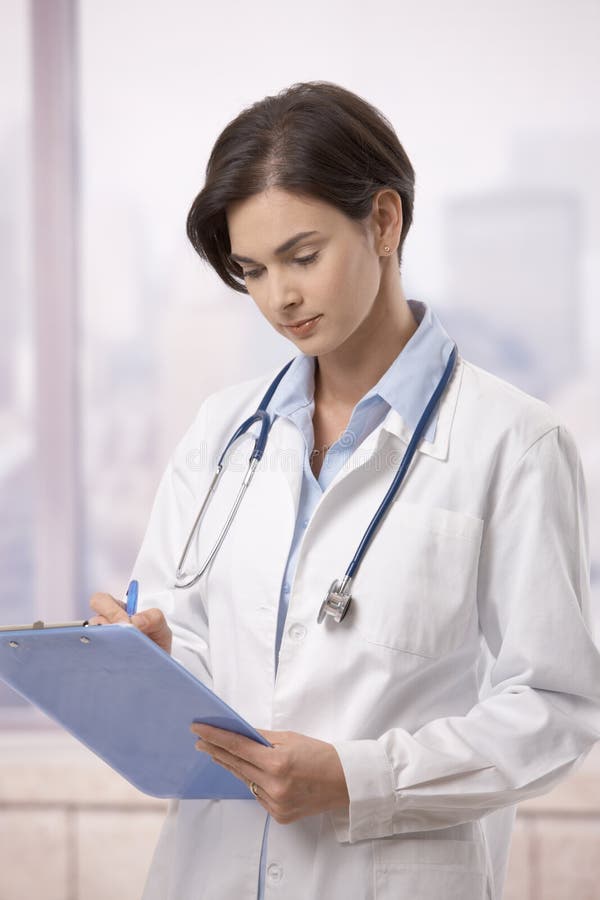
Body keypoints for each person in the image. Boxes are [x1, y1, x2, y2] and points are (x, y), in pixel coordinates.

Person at [89, 81, 600, 900]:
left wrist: (360, 780)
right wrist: (150, 667)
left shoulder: (514, 442)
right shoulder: (219, 436)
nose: (278, 298)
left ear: (385, 222)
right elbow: (199, 654)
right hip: (208, 875)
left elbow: (556, 707)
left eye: (303, 256)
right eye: (251, 270)